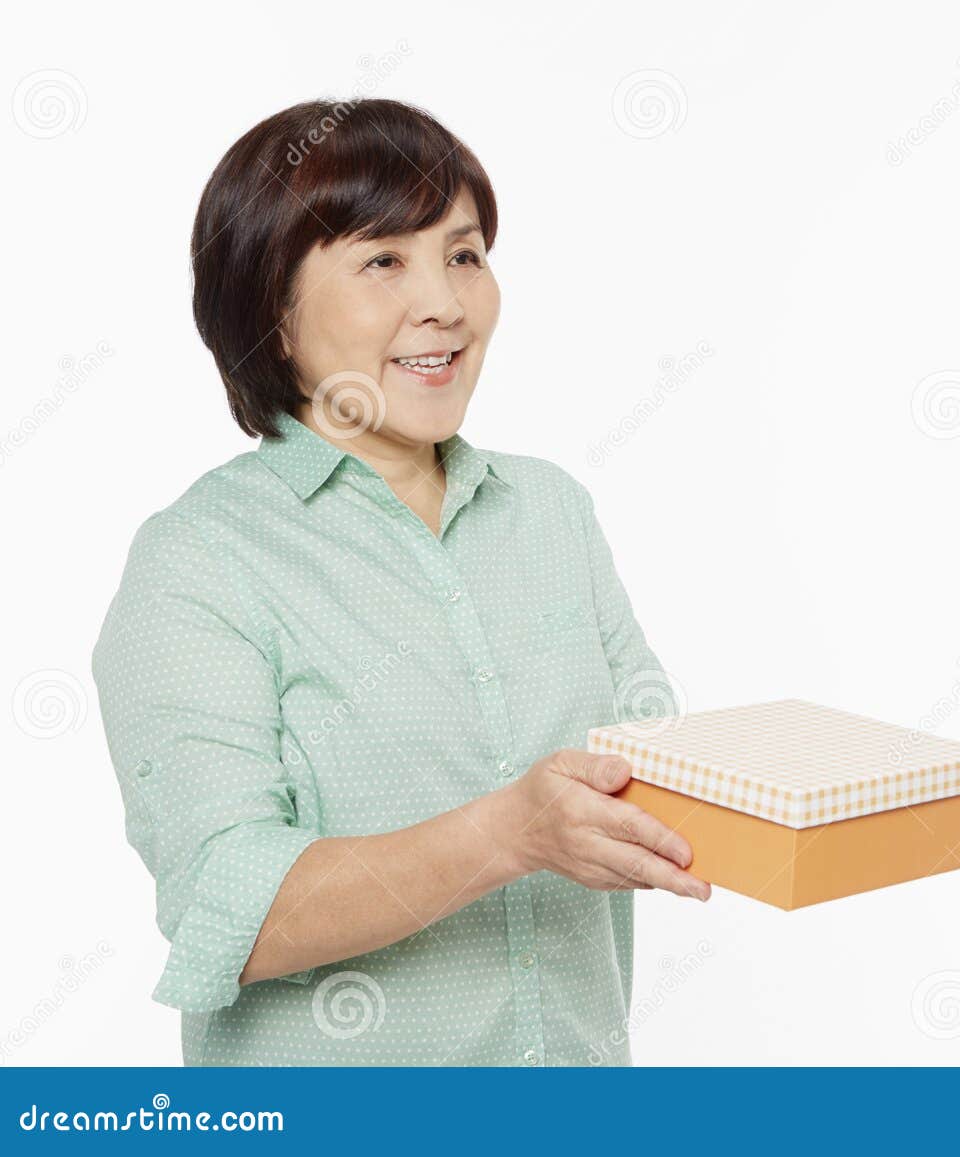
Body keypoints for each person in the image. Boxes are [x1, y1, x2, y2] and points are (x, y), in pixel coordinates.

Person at [89, 97, 707, 1067]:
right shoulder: (202, 557)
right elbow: (227, 906)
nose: (446, 304)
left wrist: (807, 783)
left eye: (463, 253)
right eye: (384, 261)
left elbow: (651, 766)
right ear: (273, 317)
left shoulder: (550, 512)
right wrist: (510, 832)